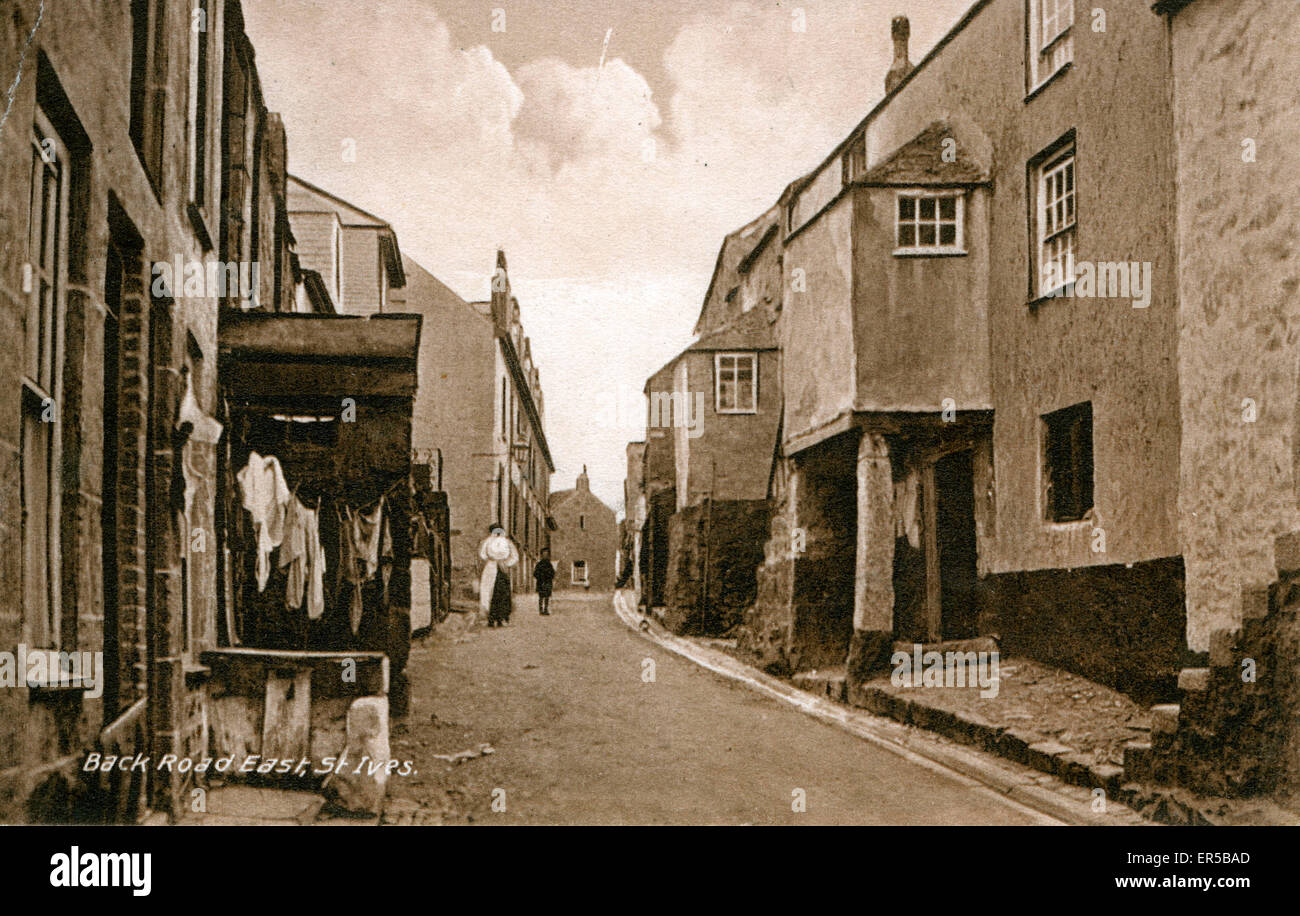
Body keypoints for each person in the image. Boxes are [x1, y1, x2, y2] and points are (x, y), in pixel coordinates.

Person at [478, 524, 519, 627]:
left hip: (502, 570)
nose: (497, 534)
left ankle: (501, 618)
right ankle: (491, 618)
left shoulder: (507, 542)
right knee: (489, 593)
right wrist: (491, 560)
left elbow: (514, 556)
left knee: (502, 594)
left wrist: (505, 563)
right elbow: (482, 554)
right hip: (490, 569)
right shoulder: (487, 542)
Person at [533, 548, 556, 615]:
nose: (545, 556)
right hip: (540, 583)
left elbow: (553, 573)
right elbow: (535, 574)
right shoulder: (539, 564)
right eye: (544, 554)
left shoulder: (549, 564)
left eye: (546, 554)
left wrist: (550, 577)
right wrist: (540, 577)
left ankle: (546, 609)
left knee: (547, 597)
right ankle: (540, 610)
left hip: (547, 582)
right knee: (541, 597)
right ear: (541, 555)